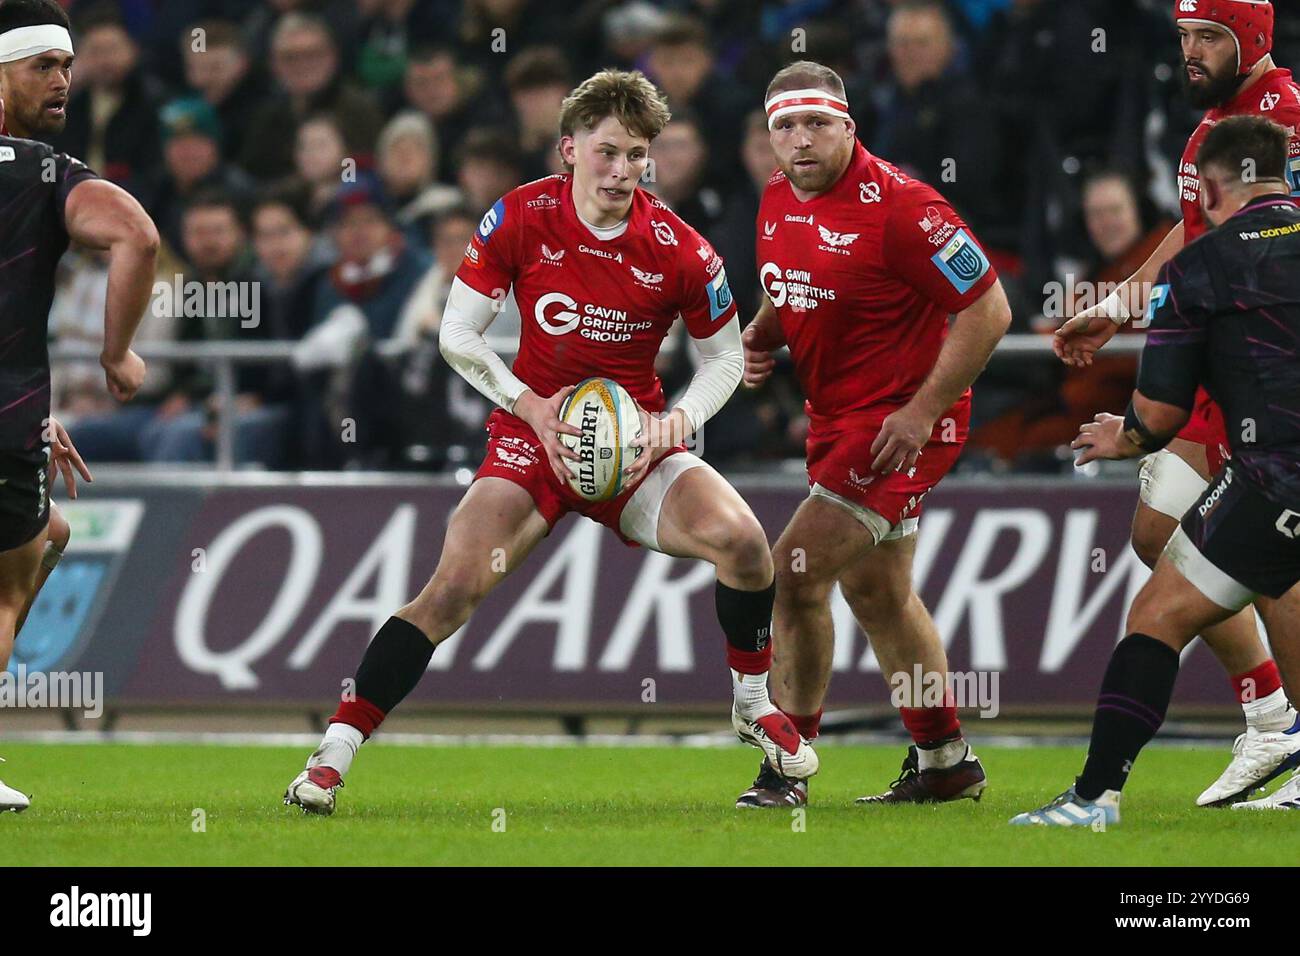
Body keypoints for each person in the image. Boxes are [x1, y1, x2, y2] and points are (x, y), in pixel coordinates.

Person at [283, 69, 815, 814]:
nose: (623, 170)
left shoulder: (681, 250)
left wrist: (674, 424)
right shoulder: (519, 217)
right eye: (607, 152)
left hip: (633, 447)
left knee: (748, 547)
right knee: (453, 588)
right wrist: (529, 407)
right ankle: (333, 753)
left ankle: (752, 703)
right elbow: (457, 335)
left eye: (637, 155)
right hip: (534, 439)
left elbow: (726, 358)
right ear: (569, 149)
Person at [739, 60, 1012, 807]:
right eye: (785, 126)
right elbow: (787, 278)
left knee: (792, 572)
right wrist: (764, 333)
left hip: (903, 423)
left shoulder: (905, 208)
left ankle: (787, 766)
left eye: (817, 123)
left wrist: (923, 411)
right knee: (881, 593)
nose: (801, 139)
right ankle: (946, 763)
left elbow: (990, 311)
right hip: (837, 421)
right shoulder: (775, 197)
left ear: (849, 127)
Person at [1013, 115, 1300, 825]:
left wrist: (1126, 435)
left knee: (1157, 616)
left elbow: (1162, 413)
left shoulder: (1199, 266)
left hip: (1277, 479)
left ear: (1207, 187)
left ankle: (1093, 797)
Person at [0, 0, 156, 810]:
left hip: (17, 412)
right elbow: (137, 234)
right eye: (42, 67)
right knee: (7, 585)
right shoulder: (42, 171)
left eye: (67, 66)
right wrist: (116, 354)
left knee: (52, 532)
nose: (63, 81)